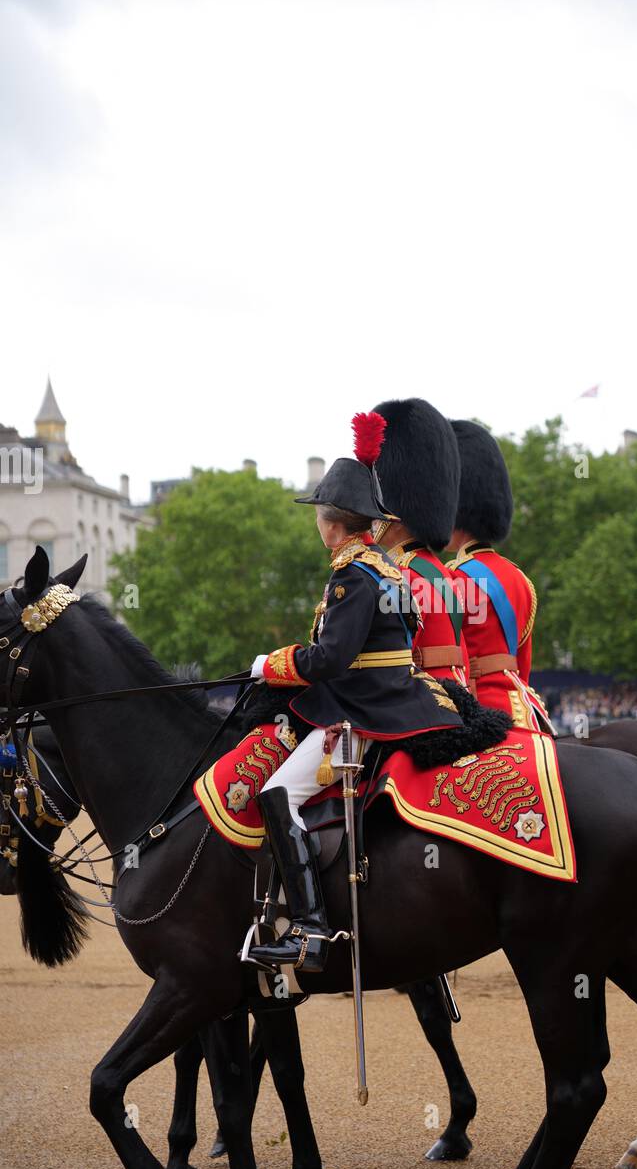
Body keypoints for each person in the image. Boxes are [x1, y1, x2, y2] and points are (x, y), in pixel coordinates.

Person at [195, 414, 461, 973]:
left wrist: (268, 664)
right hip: (398, 695)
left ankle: (312, 931)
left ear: (330, 522)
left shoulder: (351, 575)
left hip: (362, 709)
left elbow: (330, 660)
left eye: (319, 516)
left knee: (275, 795)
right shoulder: (389, 568)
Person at [445, 419, 551, 731]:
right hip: (526, 711)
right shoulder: (521, 580)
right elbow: (523, 664)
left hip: (477, 713)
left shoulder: (451, 579)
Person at [365, 399, 471, 687]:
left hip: (418, 709)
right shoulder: (444, 573)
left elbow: (376, 666)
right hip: (454, 703)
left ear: (392, 509)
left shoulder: (398, 577)